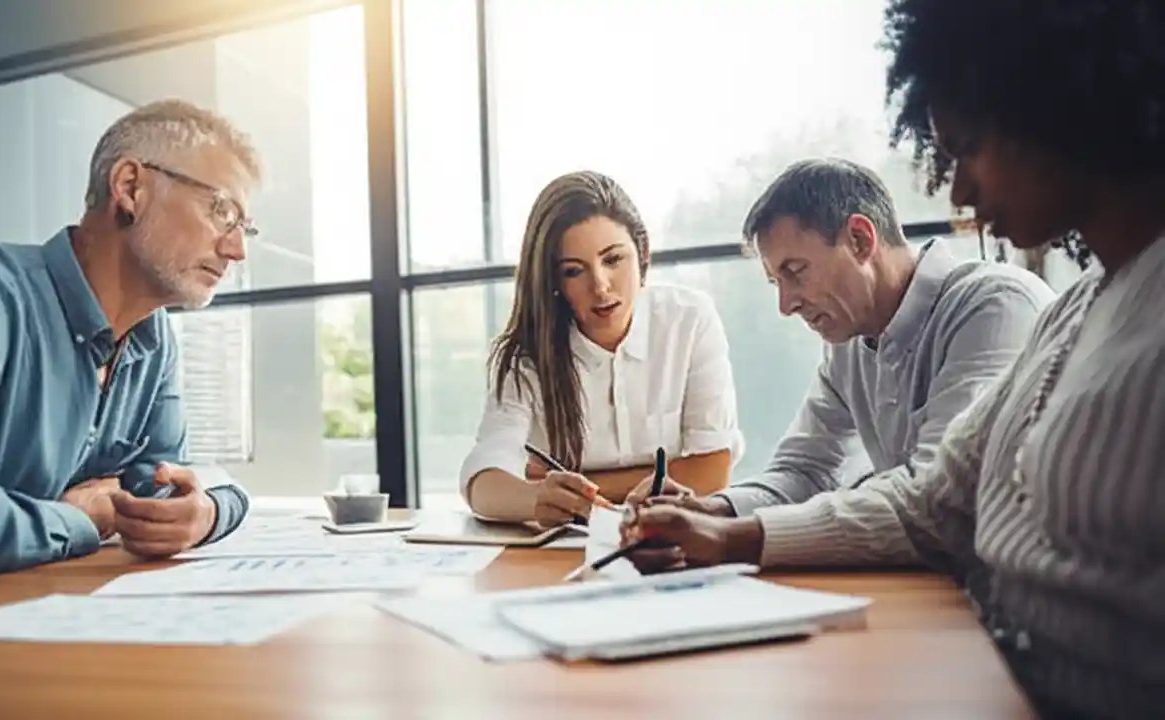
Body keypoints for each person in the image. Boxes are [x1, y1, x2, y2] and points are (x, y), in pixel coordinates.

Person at [623, 0, 1165, 715]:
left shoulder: (1002, 305)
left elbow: (931, 502)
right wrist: (723, 525)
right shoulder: (1076, 310)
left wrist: (734, 538)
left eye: (968, 147)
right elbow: (927, 501)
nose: (958, 190)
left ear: (1053, 108)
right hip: (985, 667)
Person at [0, 99, 258, 589]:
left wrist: (205, 512)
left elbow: (174, 481)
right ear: (130, 188)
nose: (237, 249)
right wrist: (79, 519)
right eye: (222, 211)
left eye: (243, 227)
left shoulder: (153, 337)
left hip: (31, 622)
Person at [627, 158, 1053, 517]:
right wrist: (712, 512)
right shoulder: (848, 344)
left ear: (860, 239)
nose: (786, 305)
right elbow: (805, 472)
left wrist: (740, 537)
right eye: (776, 282)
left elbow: (935, 492)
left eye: (795, 273)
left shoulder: (993, 308)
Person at [460, 170, 742, 527]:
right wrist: (534, 497)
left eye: (613, 260)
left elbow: (712, 470)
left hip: (670, 535)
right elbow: (482, 480)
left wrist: (576, 487)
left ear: (642, 255)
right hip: (562, 549)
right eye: (574, 271)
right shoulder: (527, 357)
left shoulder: (689, 320)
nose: (601, 286)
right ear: (555, 282)